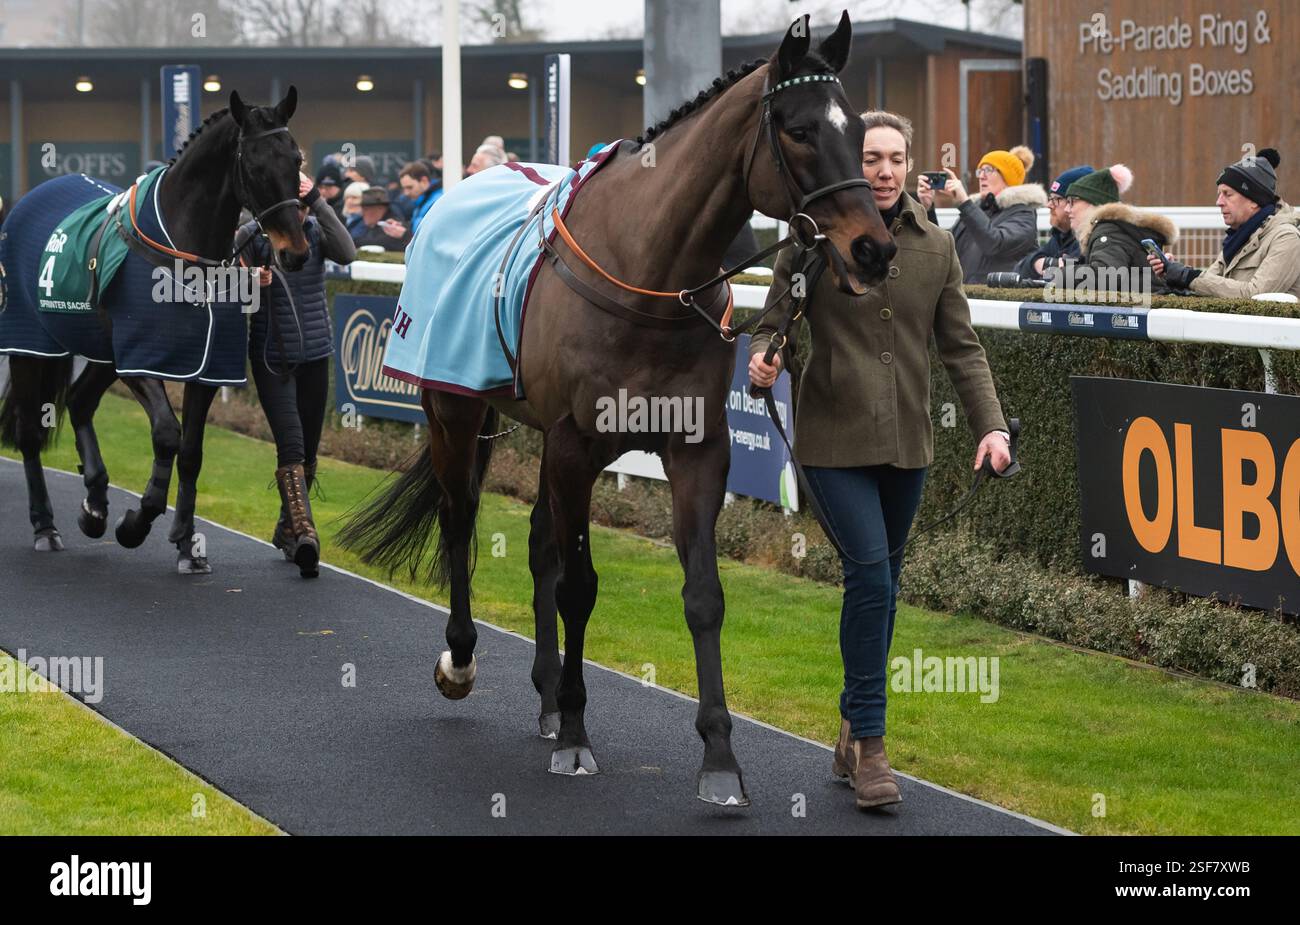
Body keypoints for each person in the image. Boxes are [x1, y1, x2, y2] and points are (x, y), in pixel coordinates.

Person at [748, 110, 1011, 812]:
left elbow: (961, 346)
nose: (885, 170)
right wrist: (764, 357)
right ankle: (871, 745)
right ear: (854, 161)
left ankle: (847, 721)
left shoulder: (936, 246)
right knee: (869, 573)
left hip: (909, 447)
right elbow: (775, 320)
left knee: (881, 586)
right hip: (833, 444)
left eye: (895, 158)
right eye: (871, 157)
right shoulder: (809, 239)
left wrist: (990, 426)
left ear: (909, 163)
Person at [243, 171, 357, 578]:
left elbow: (348, 253)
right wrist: (248, 278)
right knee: (290, 446)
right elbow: (219, 267)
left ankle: (285, 528)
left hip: (315, 356)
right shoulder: (255, 235)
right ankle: (306, 533)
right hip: (272, 358)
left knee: (308, 451)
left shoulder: (316, 229)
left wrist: (321, 201)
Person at [1149, 148, 1300, 299]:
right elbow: (1208, 287)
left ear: (1254, 200)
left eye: (1227, 194)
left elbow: (1256, 296)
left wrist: (1188, 277)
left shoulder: (1287, 238)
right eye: (1219, 195)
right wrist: (1173, 273)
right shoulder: (1238, 237)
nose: (1219, 202)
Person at [1037, 164, 1176, 295]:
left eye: (1072, 201)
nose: (1067, 209)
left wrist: (1060, 274)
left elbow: (1106, 276)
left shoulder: (1109, 232)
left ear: (1093, 203)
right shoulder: (1113, 229)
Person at [919, 145, 1044, 284]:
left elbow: (994, 243)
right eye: (980, 171)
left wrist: (965, 203)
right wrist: (927, 208)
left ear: (1008, 177)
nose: (982, 176)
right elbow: (944, 249)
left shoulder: (1024, 214)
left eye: (988, 170)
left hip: (997, 303)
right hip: (966, 299)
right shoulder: (976, 210)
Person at [1014, 164, 1093, 281]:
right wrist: (1048, 263)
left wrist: (1045, 266)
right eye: (1050, 198)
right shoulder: (1060, 236)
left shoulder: (1088, 238)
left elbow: (1067, 277)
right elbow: (1019, 269)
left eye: (1057, 199)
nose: (1049, 205)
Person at [350, 186, 412, 251]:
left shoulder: (394, 226)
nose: (363, 213)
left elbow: (377, 241)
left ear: (380, 208)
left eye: (366, 209)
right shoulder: (361, 223)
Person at [398, 161, 442, 235]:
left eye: (409, 187)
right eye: (404, 188)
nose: (406, 193)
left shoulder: (437, 201)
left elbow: (430, 234)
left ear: (424, 181)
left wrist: (405, 233)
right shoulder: (422, 200)